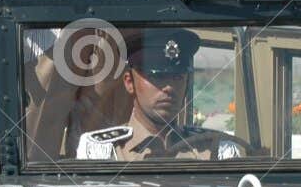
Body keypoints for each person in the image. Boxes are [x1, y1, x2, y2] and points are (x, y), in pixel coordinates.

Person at [76, 29, 245, 161]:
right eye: (157, 76)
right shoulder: (103, 150)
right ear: (129, 82)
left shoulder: (216, 150)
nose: (169, 88)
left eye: (178, 77)